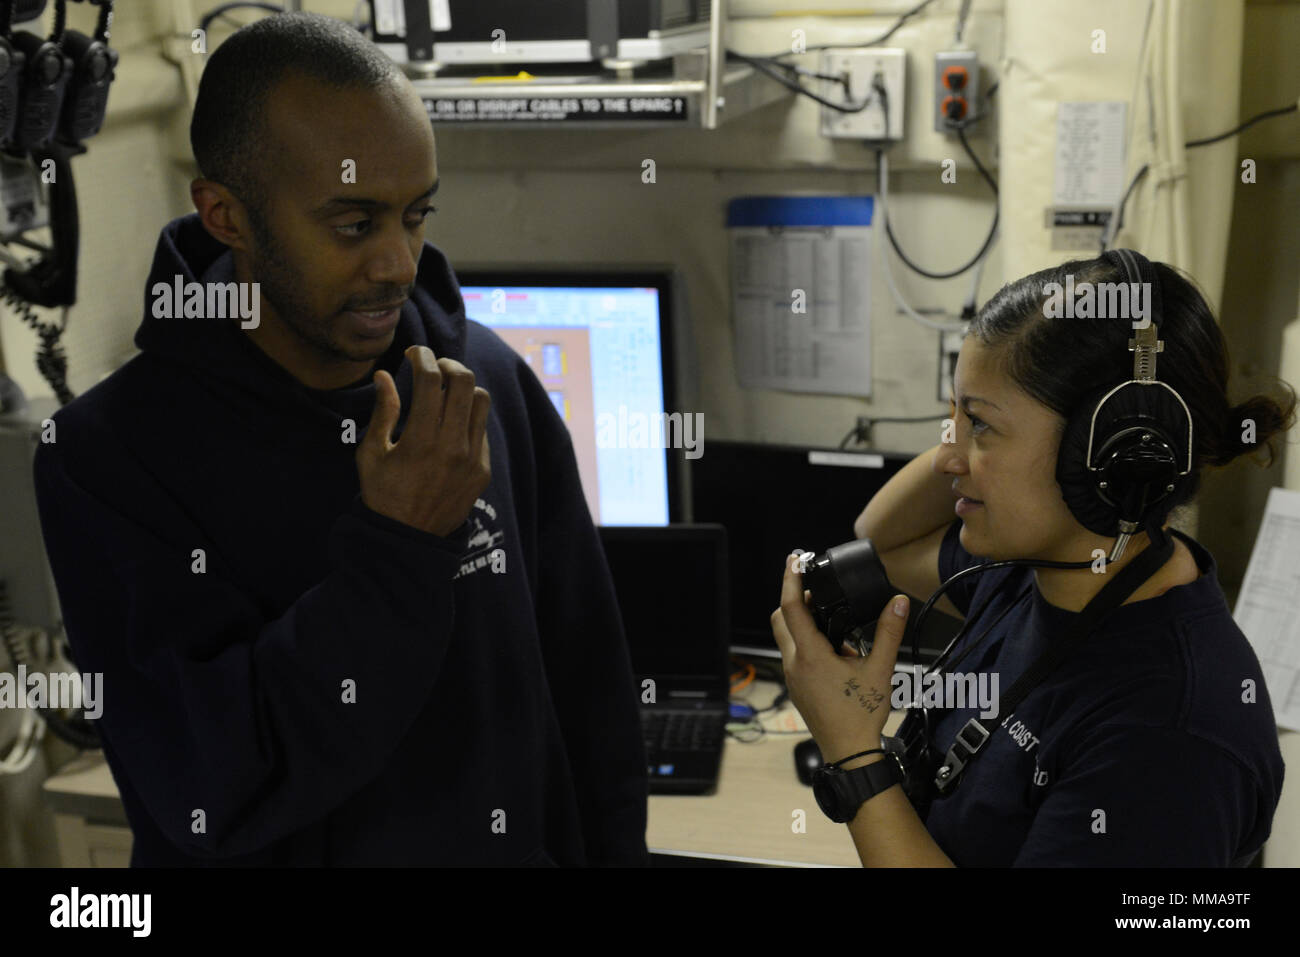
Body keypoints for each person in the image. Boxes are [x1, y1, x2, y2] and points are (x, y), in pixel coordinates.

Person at [30, 12, 648, 866]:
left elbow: (592, 698)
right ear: (226, 216)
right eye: (354, 224)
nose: (398, 262)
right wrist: (398, 547)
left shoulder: (486, 384)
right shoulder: (107, 459)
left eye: (416, 214)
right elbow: (211, 790)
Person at [772, 252, 1293, 866]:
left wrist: (853, 754)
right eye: (952, 420)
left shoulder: (1171, 737)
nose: (945, 457)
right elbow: (881, 542)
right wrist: (973, 416)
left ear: (1103, 455)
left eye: (981, 426)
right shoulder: (1037, 574)